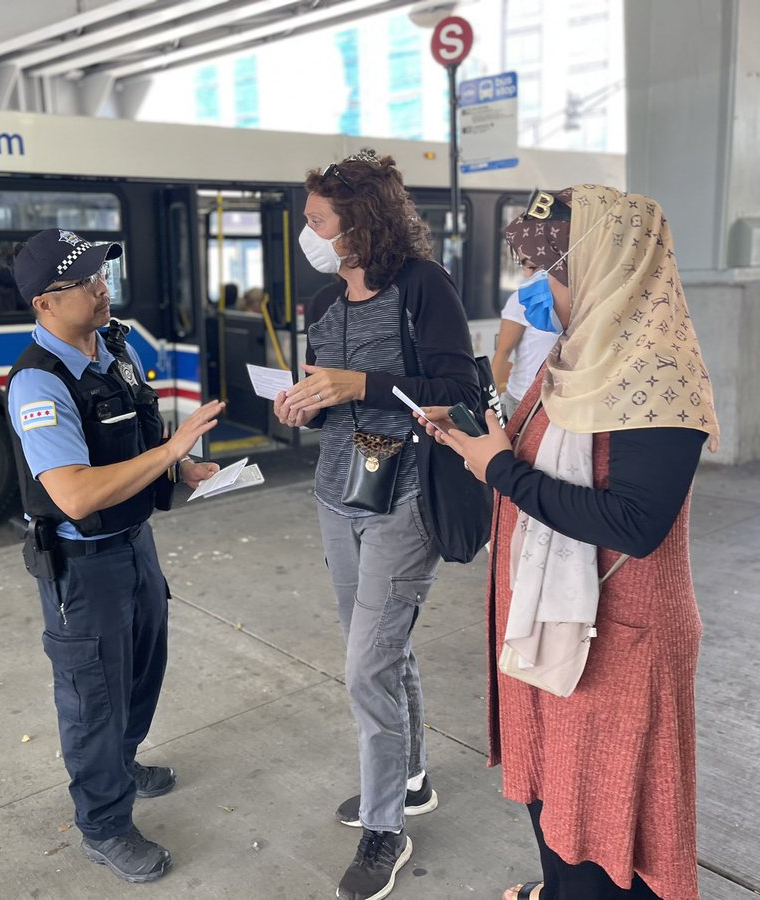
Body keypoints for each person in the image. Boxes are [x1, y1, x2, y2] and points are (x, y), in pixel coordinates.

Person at [417, 186, 720, 900]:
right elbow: (532, 449)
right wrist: (470, 430)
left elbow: (634, 524)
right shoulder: (579, 358)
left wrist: (499, 471)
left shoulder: (660, 378)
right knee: (558, 799)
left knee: (613, 824)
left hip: (618, 641)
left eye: (555, 272)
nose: (540, 290)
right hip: (552, 623)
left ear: (611, 269)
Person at [273, 151, 481, 900]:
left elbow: (459, 388)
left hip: (406, 497)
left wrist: (365, 383)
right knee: (382, 651)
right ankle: (411, 777)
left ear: (360, 220)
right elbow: (325, 392)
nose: (310, 232)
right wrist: (301, 402)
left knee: (366, 666)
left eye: (320, 220)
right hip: (338, 492)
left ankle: (386, 826)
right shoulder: (330, 305)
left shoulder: (423, 289)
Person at [6, 228, 224, 885]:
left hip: (135, 544)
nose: (103, 290)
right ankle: (103, 825)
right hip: (83, 562)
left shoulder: (114, 348)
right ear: (46, 303)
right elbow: (73, 494)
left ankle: (122, 762)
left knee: (142, 668)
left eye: (103, 276)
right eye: (87, 283)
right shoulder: (37, 385)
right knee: (92, 695)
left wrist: (180, 468)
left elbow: (137, 434)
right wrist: (171, 449)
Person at [491, 278, 561, 421]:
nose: (532, 274)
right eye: (529, 267)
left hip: (561, 400)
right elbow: (502, 353)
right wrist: (490, 407)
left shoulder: (572, 296)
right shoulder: (521, 299)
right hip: (523, 399)